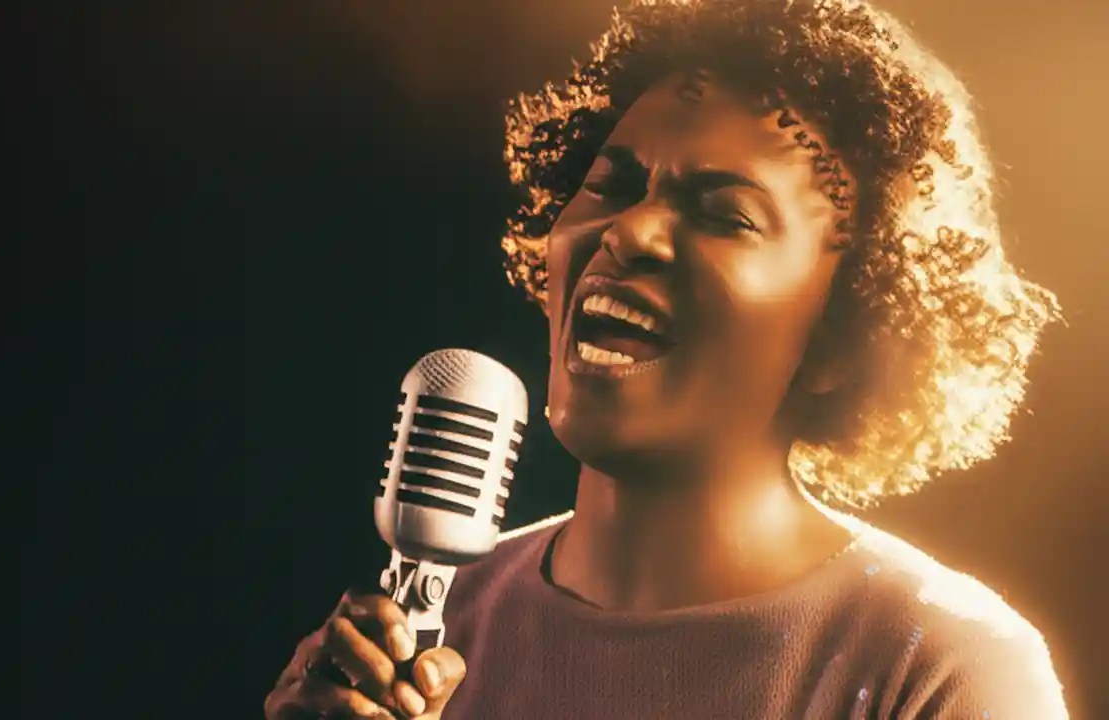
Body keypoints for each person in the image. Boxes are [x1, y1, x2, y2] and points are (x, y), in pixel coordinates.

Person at [264, 0, 1069, 717]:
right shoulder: (424, 640)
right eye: (612, 184)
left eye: (727, 215)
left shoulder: (938, 669)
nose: (626, 232)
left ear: (843, 333)